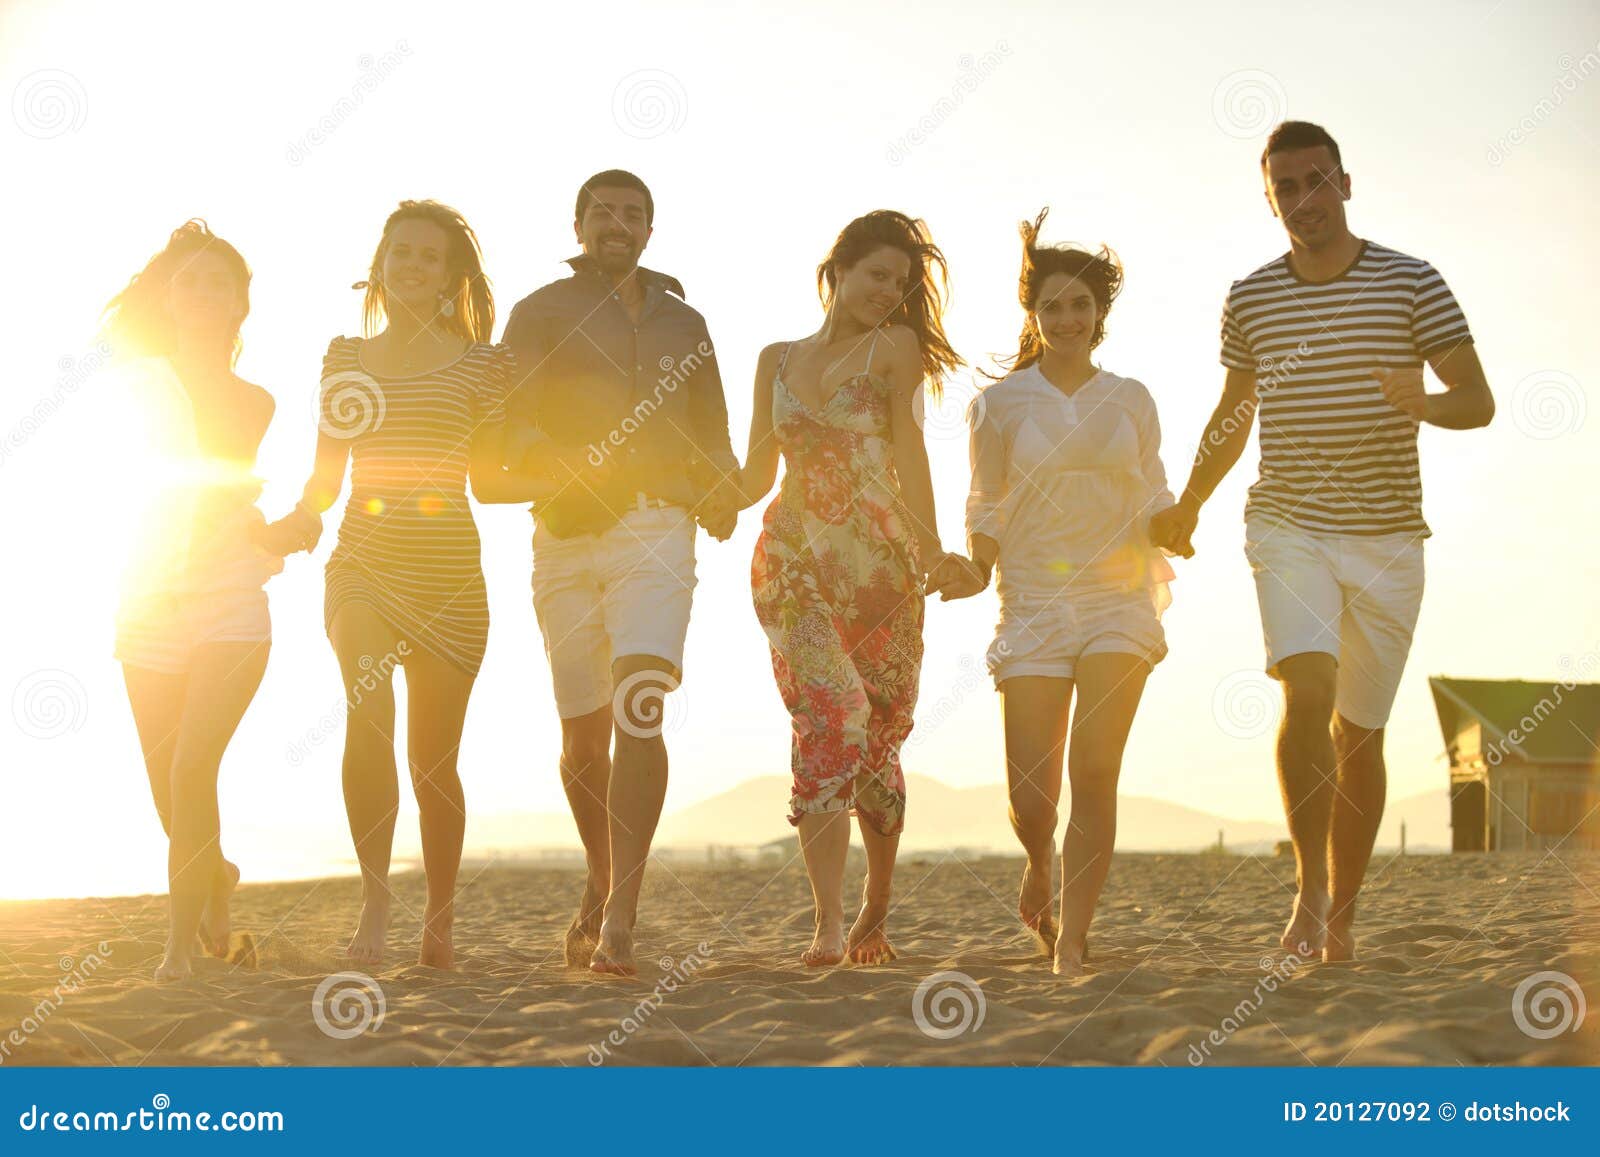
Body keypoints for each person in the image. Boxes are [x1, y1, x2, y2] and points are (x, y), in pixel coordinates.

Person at [1151, 121, 1494, 962]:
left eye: (1316, 181)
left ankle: (1342, 914)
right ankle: (1308, 891)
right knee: (1305, 691)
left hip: (1389, 539)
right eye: (1285, 189)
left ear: (1345, 181)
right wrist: (1189, 501)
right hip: (1288, 522)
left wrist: (1422, 402)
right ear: (1269, 200)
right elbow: (1235, 414)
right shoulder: (1252, 298)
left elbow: (1477, 400)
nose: (1303, 200)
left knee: (1360, 735)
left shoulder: (1413, 282)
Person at [280, 199, 544, 969]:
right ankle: (375, 896)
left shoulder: (483, 365)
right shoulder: (345, 358)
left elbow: (490, 479)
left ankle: (439, 917)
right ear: (381, 264)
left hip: (450, 576)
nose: (413, 266)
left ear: (451, 276)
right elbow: (326, 476)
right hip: (361, 563)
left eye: (430, 256)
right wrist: (295, 520)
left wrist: (577, 469)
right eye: (401, 252)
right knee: (367, 718)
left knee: (433, 763)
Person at [500, 170, 742, 976]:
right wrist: (563, 459)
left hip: (657, 528)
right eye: (602, 212)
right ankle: (602, 877)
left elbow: (713, 428)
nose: (618, 224)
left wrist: (719, 486)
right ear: (577, 225)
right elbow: (508, 422)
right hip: (564, 536)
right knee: (582, 738)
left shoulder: (686, 322)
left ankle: (622, 916)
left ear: (649, 230)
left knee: (641, 706)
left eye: (633, 214)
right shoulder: (538, 313)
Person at [942, 210, 1176, 976]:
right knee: (1032, 796)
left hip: (1118, 601)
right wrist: (976, 566)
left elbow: (1153, 489)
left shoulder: (1132, 398)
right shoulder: (1001, 404)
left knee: (1095, 772)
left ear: (1100, 312)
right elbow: (987, 502)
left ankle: (1073, 938)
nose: (1068, 318)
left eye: (1080, 304)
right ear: (1033, 314)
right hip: (1034, 603)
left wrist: (1174, 523)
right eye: (1053, 306)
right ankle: (1039, 859)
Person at [734, 210, 967, 967]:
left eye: (900, 283)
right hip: (792, 559)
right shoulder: (773, 359)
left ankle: (876, 903)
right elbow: (753, 475)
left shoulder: (894, 348)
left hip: (879, 564)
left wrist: (932, 549)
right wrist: (685, 486)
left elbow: (910, 447)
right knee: (833, 715)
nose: (888, 292)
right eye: (876, 274)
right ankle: (828, 920)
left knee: (878, 734)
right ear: (837, 271)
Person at [105, 220, 308, 981]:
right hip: (147, 595)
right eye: (185, 279)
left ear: (238, 304)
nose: (199, 291)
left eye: (215, 281)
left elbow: (213, 479)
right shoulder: (135, 381)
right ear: (168, 295)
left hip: (229, 595)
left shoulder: (255, 401)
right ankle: (215, 875)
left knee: (192, 769)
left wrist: (280, 528)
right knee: (169, 786)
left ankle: (179, 949)